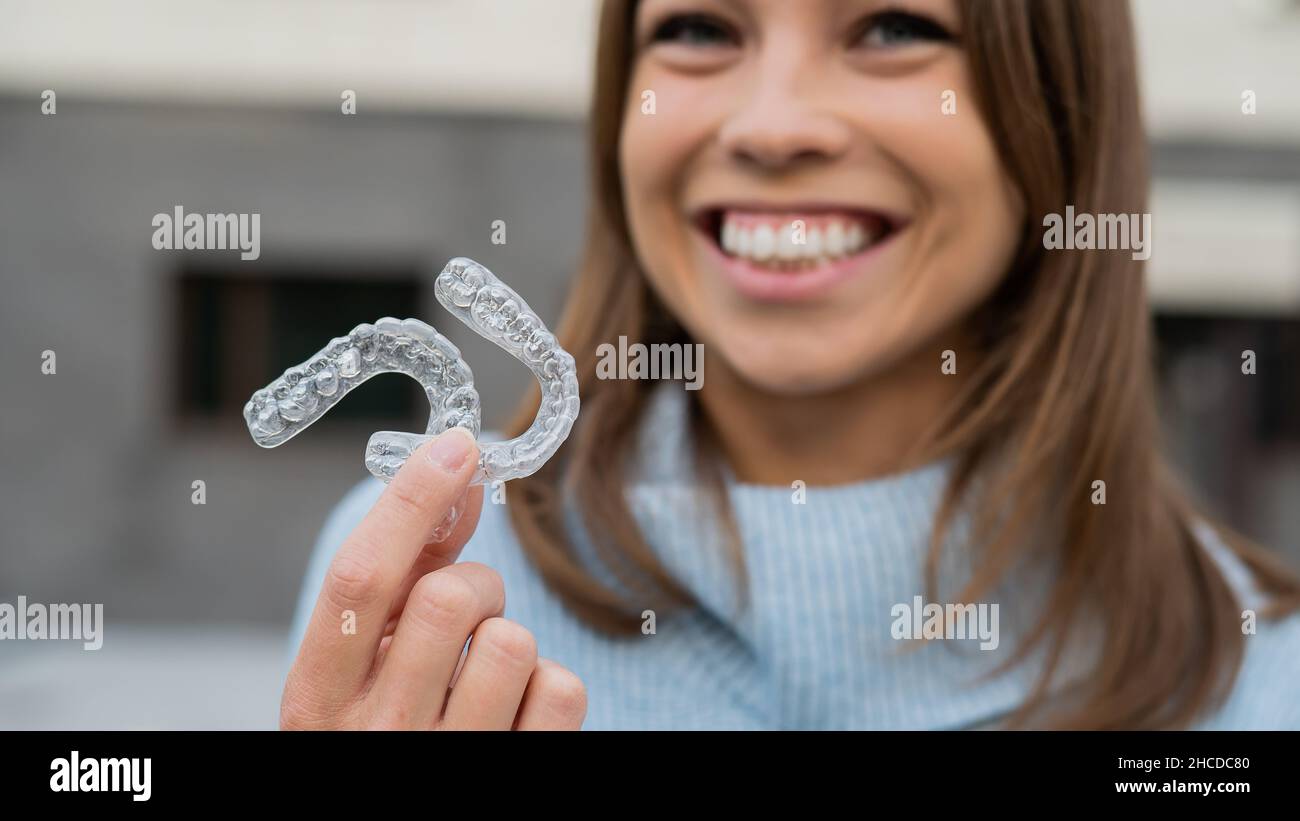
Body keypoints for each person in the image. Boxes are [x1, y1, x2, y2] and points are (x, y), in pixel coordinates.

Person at [282, 0, 1300, 730]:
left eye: (895, 28)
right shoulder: (415, 586)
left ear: (1057, 109)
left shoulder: (1268, 683)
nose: (771, 125)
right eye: (698, 28)